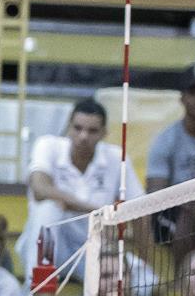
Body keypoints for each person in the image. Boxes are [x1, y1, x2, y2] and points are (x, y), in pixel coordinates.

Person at [20, 98, 140, 268]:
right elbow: (40, 189)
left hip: (93, 246)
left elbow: (139, 207)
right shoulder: (47, 145)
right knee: (48, 207)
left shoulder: (117, 158)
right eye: (78, 128)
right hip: (52, 245)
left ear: (104, 133)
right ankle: (40, 285)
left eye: (92, 131)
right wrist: (96, 211)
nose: (83, 136)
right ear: (68, 126)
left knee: (148, 281)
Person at [146, 64, 195, 260]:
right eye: (193, 93)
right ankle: (183, 281)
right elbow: (155, 193)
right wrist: (187, 200)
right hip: (177, 211)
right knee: (187, 211)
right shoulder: (165, 140)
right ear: (182, 97)